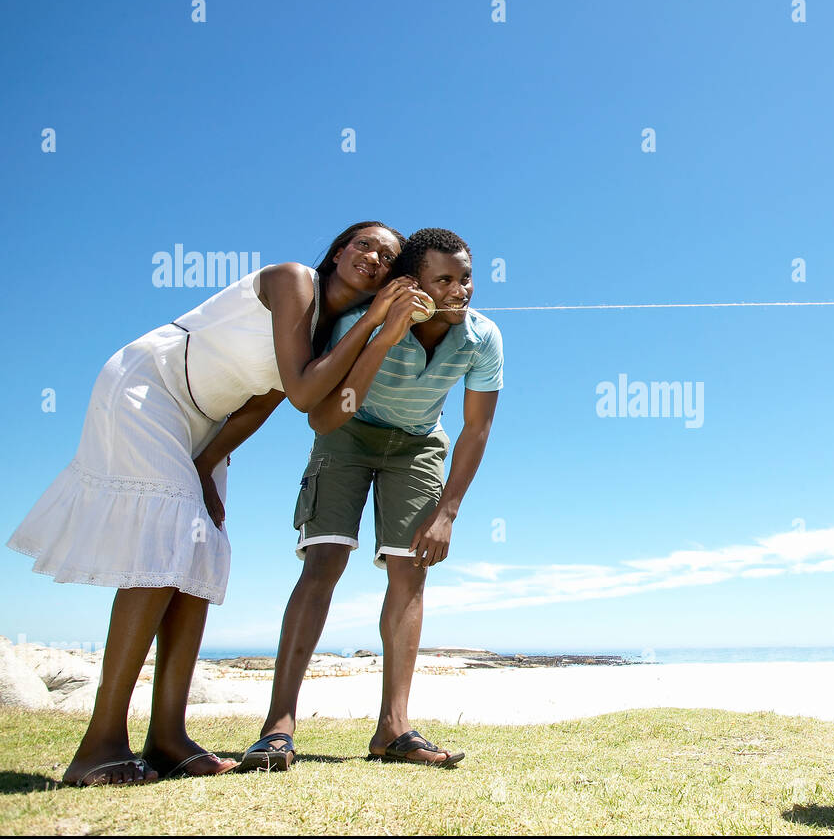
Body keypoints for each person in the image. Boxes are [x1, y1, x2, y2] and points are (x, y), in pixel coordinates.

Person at [7, 221, 429, 786]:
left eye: (389, 257)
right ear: (336, 252)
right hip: (149, 388)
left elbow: (268, 403)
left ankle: (167, 739)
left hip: (206, 423)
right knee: (161, 550)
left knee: (200, 559)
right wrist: (379, 322)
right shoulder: (292, 280)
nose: (375, 258)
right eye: (365, 245)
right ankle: (98, 745)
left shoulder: (334, 335)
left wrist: (205, 466)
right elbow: (307, 390)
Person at [238, 227, 503, 771]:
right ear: (412, 284)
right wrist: (385, 330)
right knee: (325, 561)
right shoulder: (361, 325)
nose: (461, 291)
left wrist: (448, 511)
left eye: (467, 278)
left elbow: (475, 429)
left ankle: (393, 729)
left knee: (410, 571)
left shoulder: (483, 338)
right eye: (445, 280)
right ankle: (277, 728)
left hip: (417, 445)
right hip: (349, 434)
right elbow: (325, 415)